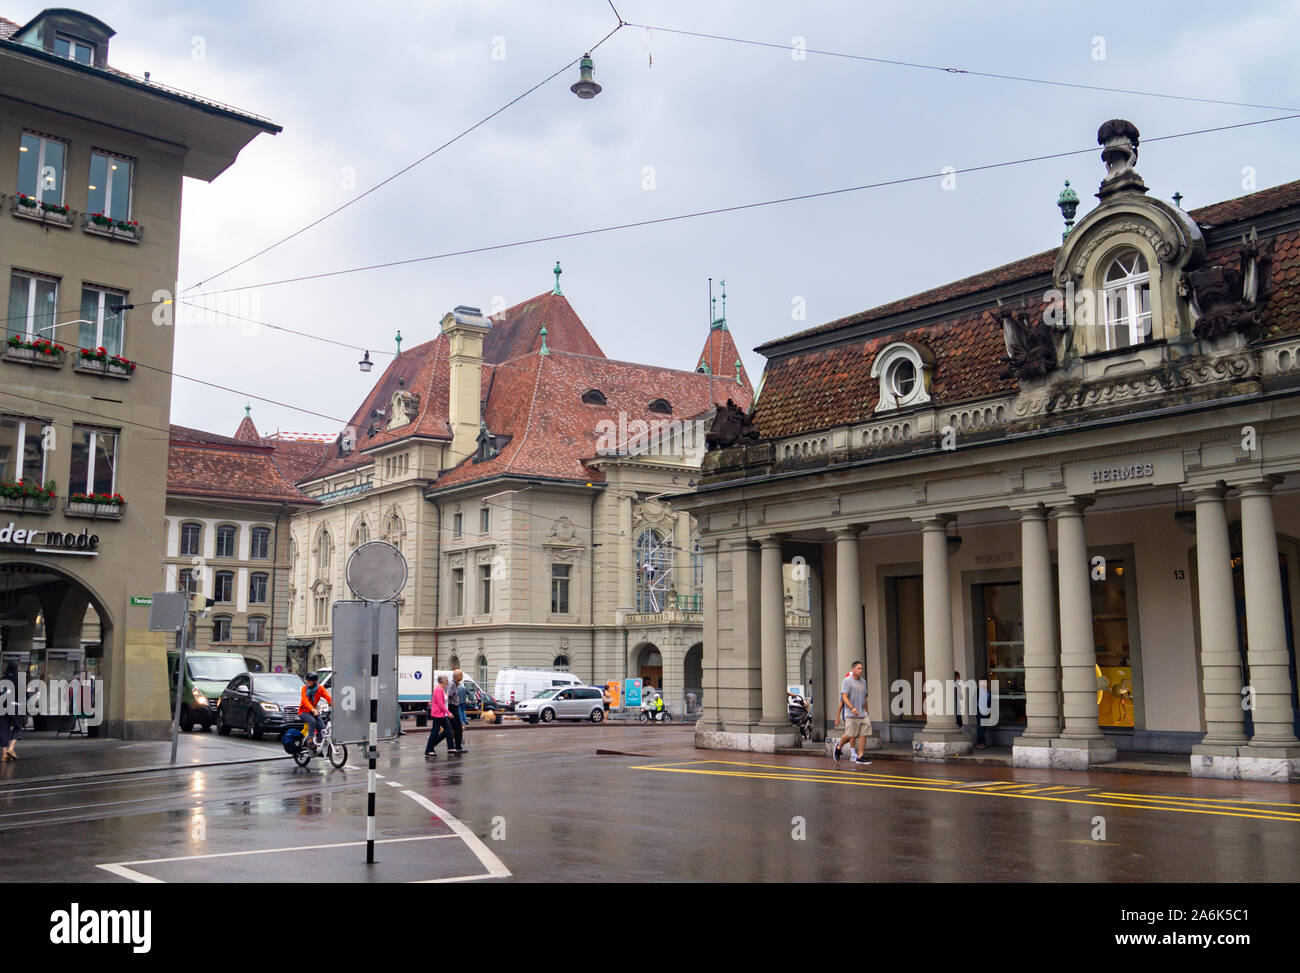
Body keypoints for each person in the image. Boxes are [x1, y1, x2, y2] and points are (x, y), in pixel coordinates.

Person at [833, 661, 872, 765]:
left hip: (863, 714)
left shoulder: (864, 682)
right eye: (859, 668)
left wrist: (867, 712)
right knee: (850, 735)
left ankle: (860, 756)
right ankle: (839, 746)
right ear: (853, 669)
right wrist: (851, 708)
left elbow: (865, 699)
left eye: (862, 669)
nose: (861, 670)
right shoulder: (847, 681)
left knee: (864, 734)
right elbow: (844, 697)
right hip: (851, 714)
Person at [425, 675, 456, 757]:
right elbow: (440, 704)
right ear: (443, 681)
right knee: (435, 732)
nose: (448, 681)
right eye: (447, 680)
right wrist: (448, 713)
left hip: (441, 714)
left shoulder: (441, 689)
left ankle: (451, 747)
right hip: (438, 714)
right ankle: (429, 750)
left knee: (448, 730)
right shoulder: (438, 689)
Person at [298, 672, 331, 747]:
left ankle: (318, 745)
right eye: (307, 680)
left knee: (323, 728)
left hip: (313, 712)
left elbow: (328, 698)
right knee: (312, 721)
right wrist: (312, 709)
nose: (308, 682)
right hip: (303, 712)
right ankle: (310, 741)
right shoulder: (304, 689)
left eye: (310, 680)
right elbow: (305, 700)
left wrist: (335, 705)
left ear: (315, 681)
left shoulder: (320, 688)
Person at [1, 664, 21, 761]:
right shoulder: (17, 680)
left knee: (4, 729)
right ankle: (11, 748)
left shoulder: (2, 679)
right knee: (18, 726)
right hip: (13, 706)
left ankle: (4, 754)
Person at [448, 669, 467, 752]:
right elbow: (447, 695)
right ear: (458, 676)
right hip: (452, 707)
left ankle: (457, 746)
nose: (462, 677)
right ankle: (458, 747)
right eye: (461, 675)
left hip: (454, 707)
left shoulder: (455, 684)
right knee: (458, 727)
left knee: (456, 727)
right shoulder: (452, 684)